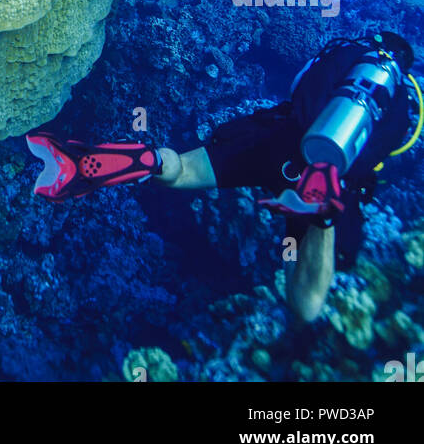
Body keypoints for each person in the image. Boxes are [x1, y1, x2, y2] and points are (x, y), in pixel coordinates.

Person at [27, 32, 422, 323]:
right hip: (321, 181)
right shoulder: (402, 99)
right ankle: (322, 215)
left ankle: (142, 159)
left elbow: (301, 88)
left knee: (180, 172)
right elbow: (384, 153)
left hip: (274, 142)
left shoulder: (346, 48)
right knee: (305, 303)